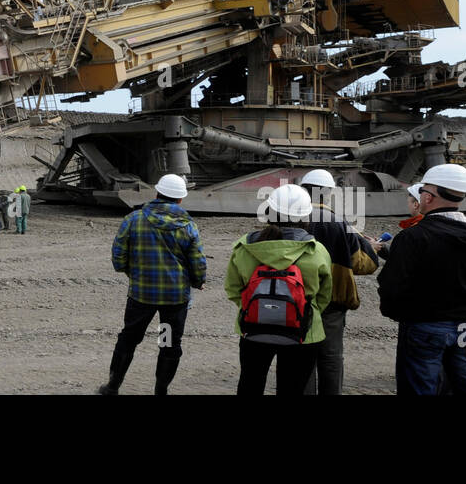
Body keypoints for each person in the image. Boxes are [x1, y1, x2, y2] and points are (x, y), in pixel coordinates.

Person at [378, 164, 466, 395]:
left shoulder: (412, 237)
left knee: (419, 388)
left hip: (424, 326)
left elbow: (391, 286)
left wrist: (403, 315)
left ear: (427, 197)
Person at [99, 174, 206, 395]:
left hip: (141, 296)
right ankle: (160, 390)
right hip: (174, 300)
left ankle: (112, 386)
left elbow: (118, 258)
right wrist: (197, 281)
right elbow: (197, 261)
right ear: (180, 200)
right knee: (167, 342)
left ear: (157, 194)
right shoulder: (188, 226)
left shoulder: (133, 219)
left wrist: (133, 273)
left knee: (129, 339)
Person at [226, 183, 333, 395]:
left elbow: (232, 288)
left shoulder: (244, 246)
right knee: (291, 388)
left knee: (250, 383)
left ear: (269, 213)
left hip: (253, 328)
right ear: (305, 217)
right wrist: (304, 310)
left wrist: (256, 308)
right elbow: (324, 294)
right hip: (304, 332)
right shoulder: (316, 250)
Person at [298, 169, 378, 395]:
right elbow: (365, 265)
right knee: (331, 357)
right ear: (328, 193)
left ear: (303, 190)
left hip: (297, 299)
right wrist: (368, 247)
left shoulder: (290, 218)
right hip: (332, 301)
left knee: (302, 356)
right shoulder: (339, 223)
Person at [373, 184, 424, 260]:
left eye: (408, 202)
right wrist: (382, 247)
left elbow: (399, 259)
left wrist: (373, 247)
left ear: (415, 205)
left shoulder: (415, 230)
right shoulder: (425, 225)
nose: (408, 205)